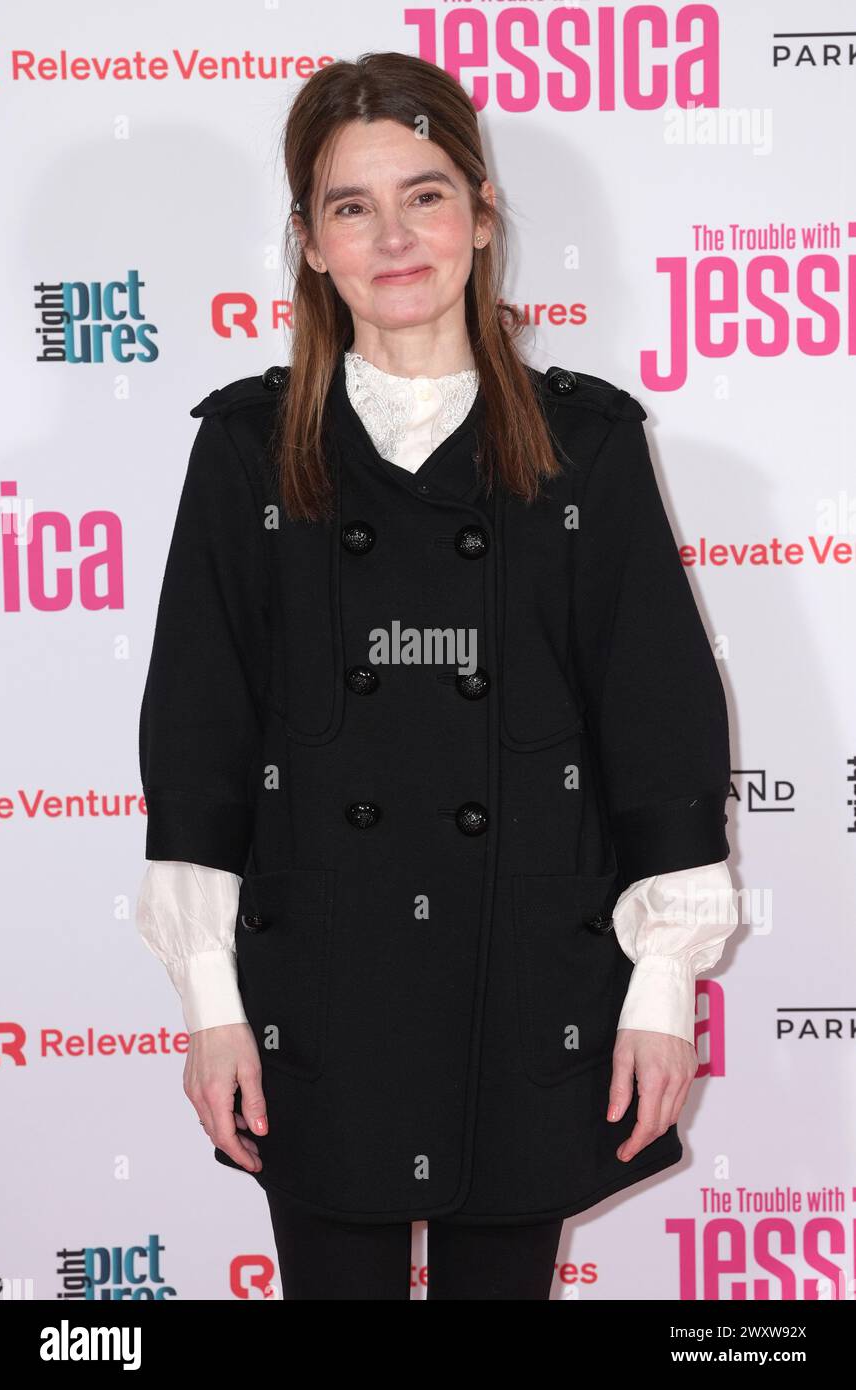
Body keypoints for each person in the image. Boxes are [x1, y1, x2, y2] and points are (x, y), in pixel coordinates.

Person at [135, 51, 738, 1300]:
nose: (393, 236)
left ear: (479, 211)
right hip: (318, 974)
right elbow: (196, 732)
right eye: (351, 206)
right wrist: (208, 997)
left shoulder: (586, 445)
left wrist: (665, 984)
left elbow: (658, 719)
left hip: (530, 966)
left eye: (423, 193)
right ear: (306, 241)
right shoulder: (248, 450)